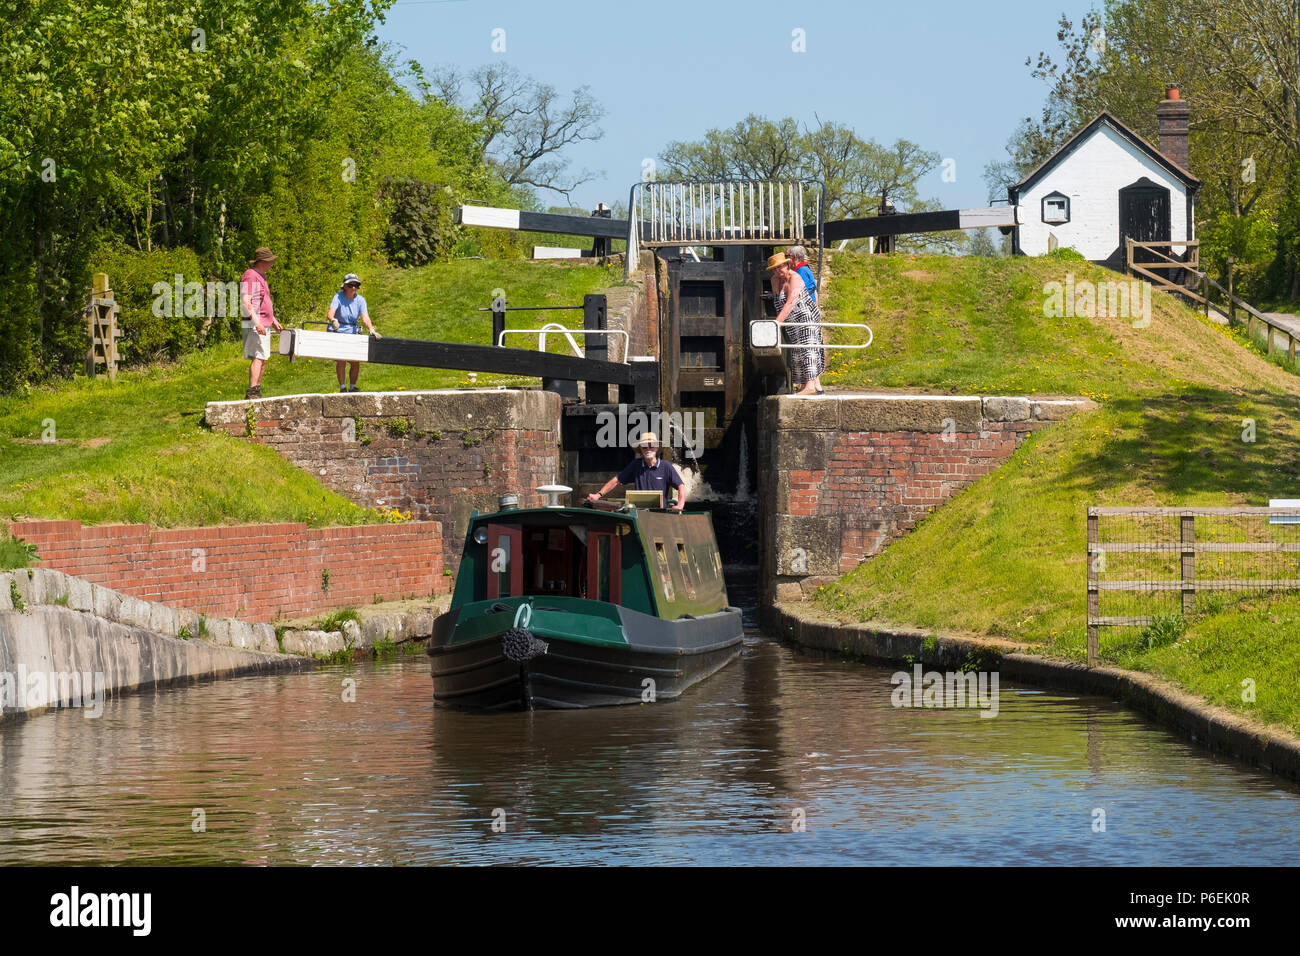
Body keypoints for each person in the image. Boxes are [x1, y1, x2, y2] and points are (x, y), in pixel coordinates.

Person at [768, 251, 825, 396]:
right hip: (791, 320)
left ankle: (811, 386)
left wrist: (776, 324)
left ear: (787, 265)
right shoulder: (774, 280)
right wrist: (782, 322)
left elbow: (791, 302)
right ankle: (804, 386)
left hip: (806, 316)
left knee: (808, 349)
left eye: (780, 267)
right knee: (796, 352)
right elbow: (778, 303)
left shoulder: (795, 277)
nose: (777, 270)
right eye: (774, 268)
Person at [585, 432, 686, 511]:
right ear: (641, 449)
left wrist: (680, 505)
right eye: (645, 446)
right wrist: (598, 495)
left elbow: (681, 487)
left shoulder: (666, 466)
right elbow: (616, 480)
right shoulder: (636, 465)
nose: (648, 448)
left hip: (660, 514)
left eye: (651, 445)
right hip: (639, 513)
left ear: (657, 447)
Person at [240, 247, 282, 400]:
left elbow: (264, 302)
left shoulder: (261, 276)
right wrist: (257, 323)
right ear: (262, 261)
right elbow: (246, 301)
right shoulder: (250, 275)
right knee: (258, 356)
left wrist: (273, 320)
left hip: (264, 322)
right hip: (255, 323)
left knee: (263, 356)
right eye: (270, 260)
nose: (272, 263)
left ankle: (256, 390)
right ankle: (252, 391)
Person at [327, 273, 380, 392]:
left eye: (356, 285)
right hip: (339, 330)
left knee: (355, 361)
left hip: (352, 331)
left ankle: (353, 386)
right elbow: (330, 313)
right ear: (345, 286)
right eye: (351, 285)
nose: (354, 288)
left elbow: (365, 317)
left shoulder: (361, 300)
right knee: (341, 359)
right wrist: (333, 320)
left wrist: (371, 329)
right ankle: (342, 387)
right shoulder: (338, 297)